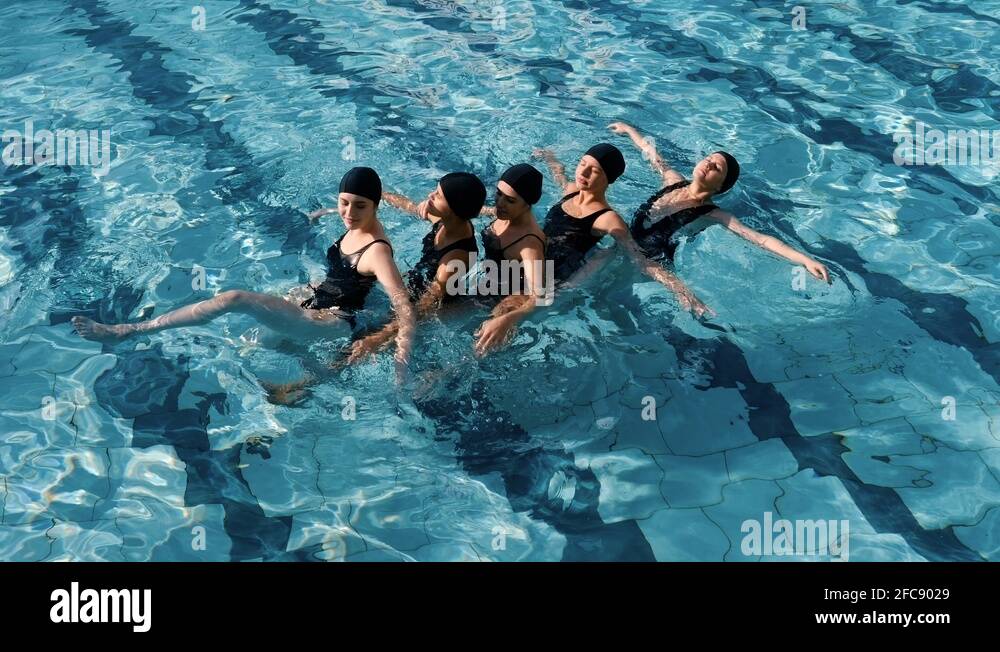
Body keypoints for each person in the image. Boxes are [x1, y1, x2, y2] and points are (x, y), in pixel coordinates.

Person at [72, 167, 415, 381]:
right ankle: (319, 376)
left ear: (375, 207)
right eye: (343, 202)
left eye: (360, 206)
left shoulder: (378, 252)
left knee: (235, 299)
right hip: (317, 299)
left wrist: (400, 362)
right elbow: (361, 203)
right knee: (253, 345)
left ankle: (129, 330)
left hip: (334, 320)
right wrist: (325, 212)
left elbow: (406, 309)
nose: (349, 213)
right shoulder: (354, 218)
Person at [609, 121, 830, 282]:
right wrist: (629, 130)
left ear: (720, 187)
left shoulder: (713, 214)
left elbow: (761, 240)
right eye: (709, 159)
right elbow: (651, 153)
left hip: (652, 265)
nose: (709, 164)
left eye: (717, 167)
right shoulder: (672, 180)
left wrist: (804, 260)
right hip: (623, 244)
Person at [532, 142, 712, 318]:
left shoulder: (609, 219)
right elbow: (559, 174)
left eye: (594, 170)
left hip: (552, 279)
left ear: (608, 179)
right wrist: (549, 157)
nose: (583, 172)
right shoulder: (571, 191)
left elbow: (641, 260)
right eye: (582, 163)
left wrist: (680, 289)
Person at [345, 171, 486, 362]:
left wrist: (379, 337)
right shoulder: (447, 220)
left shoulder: (456, 259)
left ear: (452, 209)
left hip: (428, 310)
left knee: (357, 346)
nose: (430, 196)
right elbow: (408, 206)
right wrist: (376, 195)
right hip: (414, 285)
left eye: (438, 196)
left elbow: (426, 306)